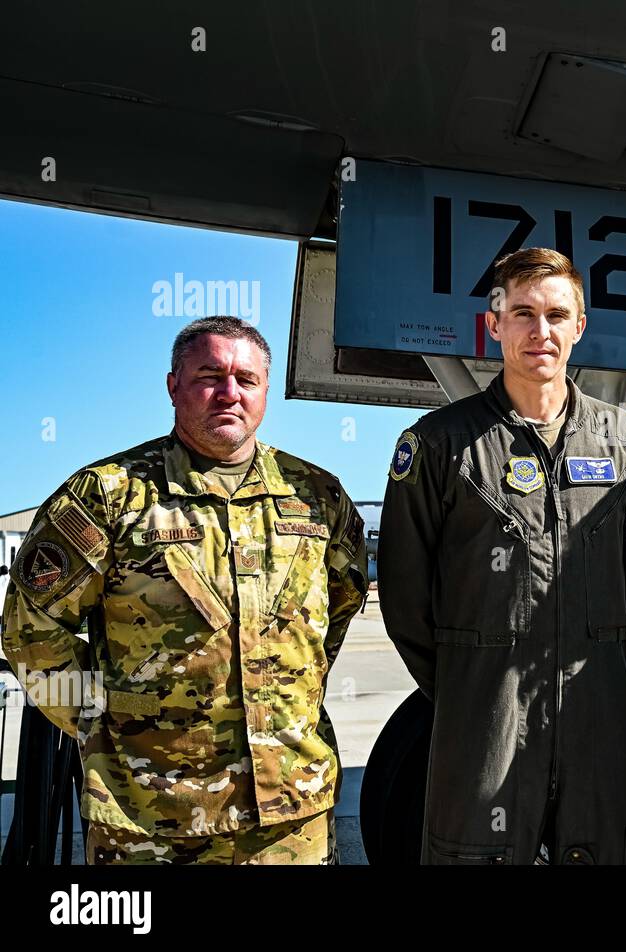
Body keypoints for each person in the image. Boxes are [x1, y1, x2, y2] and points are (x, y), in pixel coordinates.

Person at [2, 316, 367, 864]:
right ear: (173, 385)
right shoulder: (109, 495)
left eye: (246, 379)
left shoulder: (317, 496)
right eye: (209, 375)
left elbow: (336, 610)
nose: (229, 393)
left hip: (291, 811)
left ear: (266, 390)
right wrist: (107, 719)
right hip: (148, 816)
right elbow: (32, 632)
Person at [379, 247, 626, 865]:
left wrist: (595, 663)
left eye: (558, 315)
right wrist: (473, 687)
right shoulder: (436, 444)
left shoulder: (623, 440)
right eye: (524, 313)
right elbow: (404, 599)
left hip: (597, 720)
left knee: (608, 850)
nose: (542, 331)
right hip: (486, 724)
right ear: (495, 326)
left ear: (579, 327)